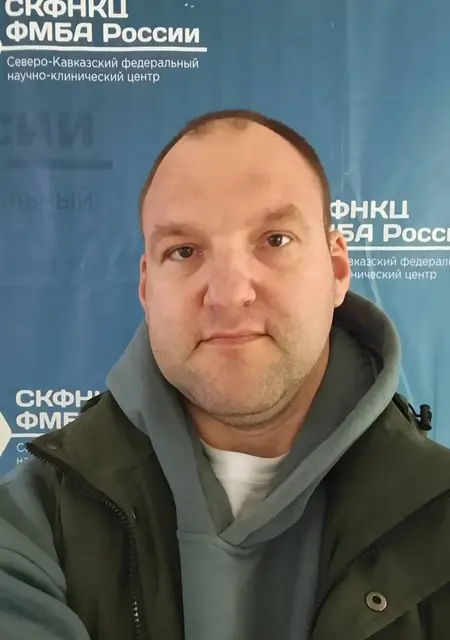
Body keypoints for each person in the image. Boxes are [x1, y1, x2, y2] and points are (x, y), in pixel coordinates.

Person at [0, 109, 449, 640]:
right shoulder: (30, 525)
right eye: (184, 251)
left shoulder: (437, 516)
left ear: (336, 269)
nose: (230, 294)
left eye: (275, 240)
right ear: (146, 289)